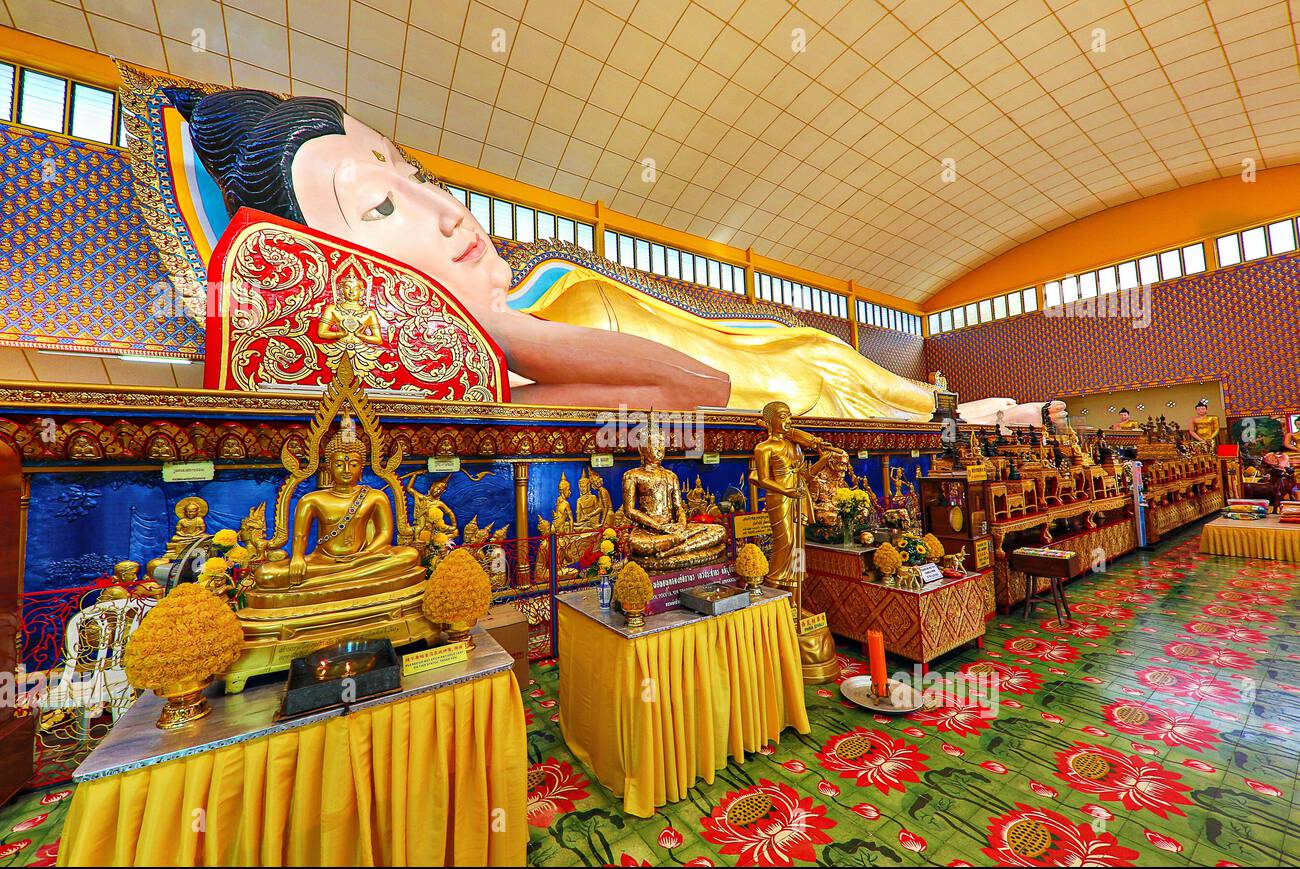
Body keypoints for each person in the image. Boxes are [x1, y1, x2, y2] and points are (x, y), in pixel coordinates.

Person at [179, 89, 1065, 424]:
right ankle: (969, 420)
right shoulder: (516, 378)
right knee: (843, 383)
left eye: (414, 177)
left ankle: (960, 410)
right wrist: (485, 325)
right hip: (782, 407)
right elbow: (699, 390)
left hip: (781, 351)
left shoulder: (541, 288)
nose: (444, 208)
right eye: (379, 205)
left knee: (828, 349)